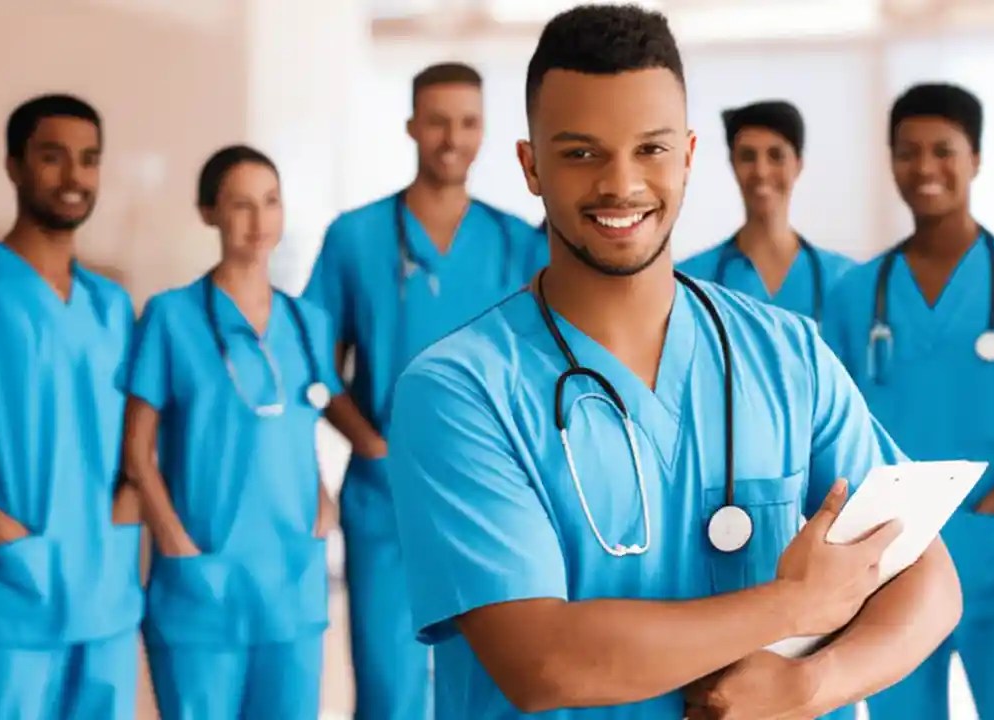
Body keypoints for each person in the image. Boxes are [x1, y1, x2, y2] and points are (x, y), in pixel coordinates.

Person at [384, 6, 963, 718]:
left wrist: (812, 685)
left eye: (651, 149)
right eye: (581, 153)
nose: (620, 184)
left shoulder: (786, 356)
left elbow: (929, 575)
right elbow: (544, 661)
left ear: (688, 155)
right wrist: (790, 605)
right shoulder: (459, 391)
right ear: (531, 167)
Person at [304, 61, 548, 720]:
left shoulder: (517, 244)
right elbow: (313, 365)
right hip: (386, 502)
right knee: (388, 690)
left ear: (485, 130)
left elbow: (547, 365)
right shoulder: (354, 237)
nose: (452, 137)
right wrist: (372, 443)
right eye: (438, 121)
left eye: (468, 122)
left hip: (489, 501)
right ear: (412, 125)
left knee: (493, 686)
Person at [821, 83, 994, 720]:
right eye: (908, 152)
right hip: (896, 561)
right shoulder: (856, 293)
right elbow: (827, 422)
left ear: (976, 159)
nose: (925, 168)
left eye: (944, 150)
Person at [0, 94, 143, 720]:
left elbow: (135, 438)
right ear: (15, 166)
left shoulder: (113, 306)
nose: (74, 177)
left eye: (89, 160)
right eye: (53, 157)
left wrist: (126, 519)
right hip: (7, 595)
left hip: (104, 597)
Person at [122, 145, 342, 719]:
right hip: (204, 575)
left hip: (291, 577)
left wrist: (323, 500)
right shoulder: (171, 317)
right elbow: (136, 450)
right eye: (240, 205)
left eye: (270, 202)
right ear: (208, 213)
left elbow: (301, 423)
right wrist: (171, 537)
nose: (258, 221)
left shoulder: (306, 322)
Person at [679, 100, 854, 327]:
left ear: (798, 164)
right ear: (732, 164)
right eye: (748, 157)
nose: (761, 171)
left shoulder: (845, 279)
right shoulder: (690, 280)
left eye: (776, 155)